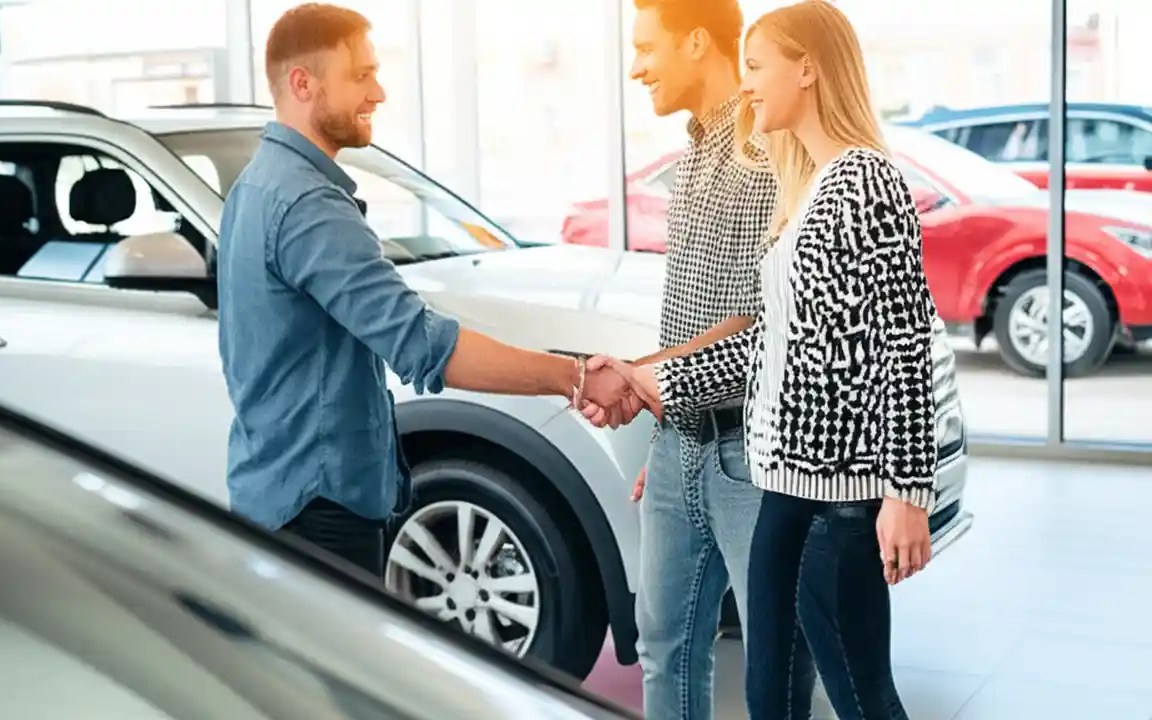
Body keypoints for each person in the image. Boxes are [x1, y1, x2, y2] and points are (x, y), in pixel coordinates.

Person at [586, 1, 941, 717]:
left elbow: (906, 345)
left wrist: (908, 493)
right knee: (767, 691)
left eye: (757, 67)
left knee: (854, 690)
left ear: (806, 67)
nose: (747, 86)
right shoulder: (799, 185)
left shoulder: (860, 179)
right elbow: (781, 343)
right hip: (786, 487)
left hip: (827, 496)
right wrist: (668, 406)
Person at [216, 3, 632, 579]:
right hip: (319, 510)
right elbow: (422, 345)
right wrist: (575, 376)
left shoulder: (255, 187)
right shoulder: (307, 205)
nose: (379, 92)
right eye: (361, 75)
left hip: (281, 493)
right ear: (302, 83)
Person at [581, 1, 780, 718]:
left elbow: (767, 326)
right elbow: (697, 321)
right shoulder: (695, 151)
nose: (636, 67)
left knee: (776, 661)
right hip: (679, 447)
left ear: (697, 41)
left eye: (646, 47)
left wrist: (640, 380)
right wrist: (658, 408)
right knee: (663, 646)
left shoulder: (767, 148)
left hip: (754, 458)